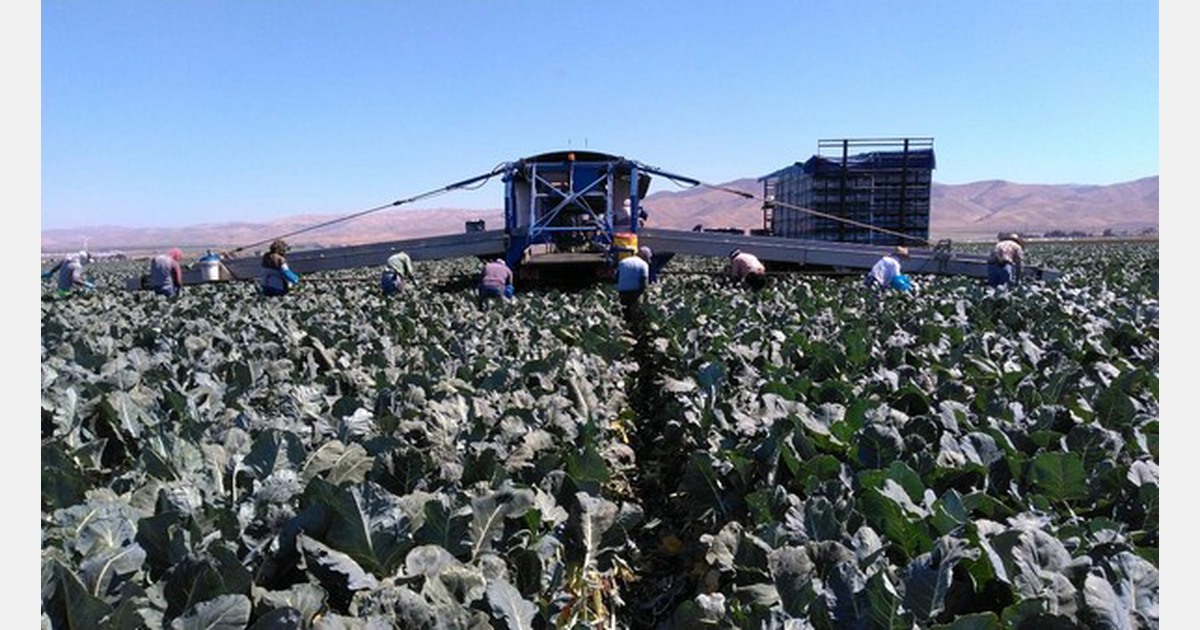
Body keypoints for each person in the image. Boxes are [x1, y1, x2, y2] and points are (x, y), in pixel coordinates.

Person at [616, 246, 652, 318]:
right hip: (634, 293)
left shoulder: (623, 262)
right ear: (644, 256)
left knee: (623, 313)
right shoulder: (643, 265)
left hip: (621, 292)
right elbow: (644, 283)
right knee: (634, 315)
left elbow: (616, 277)